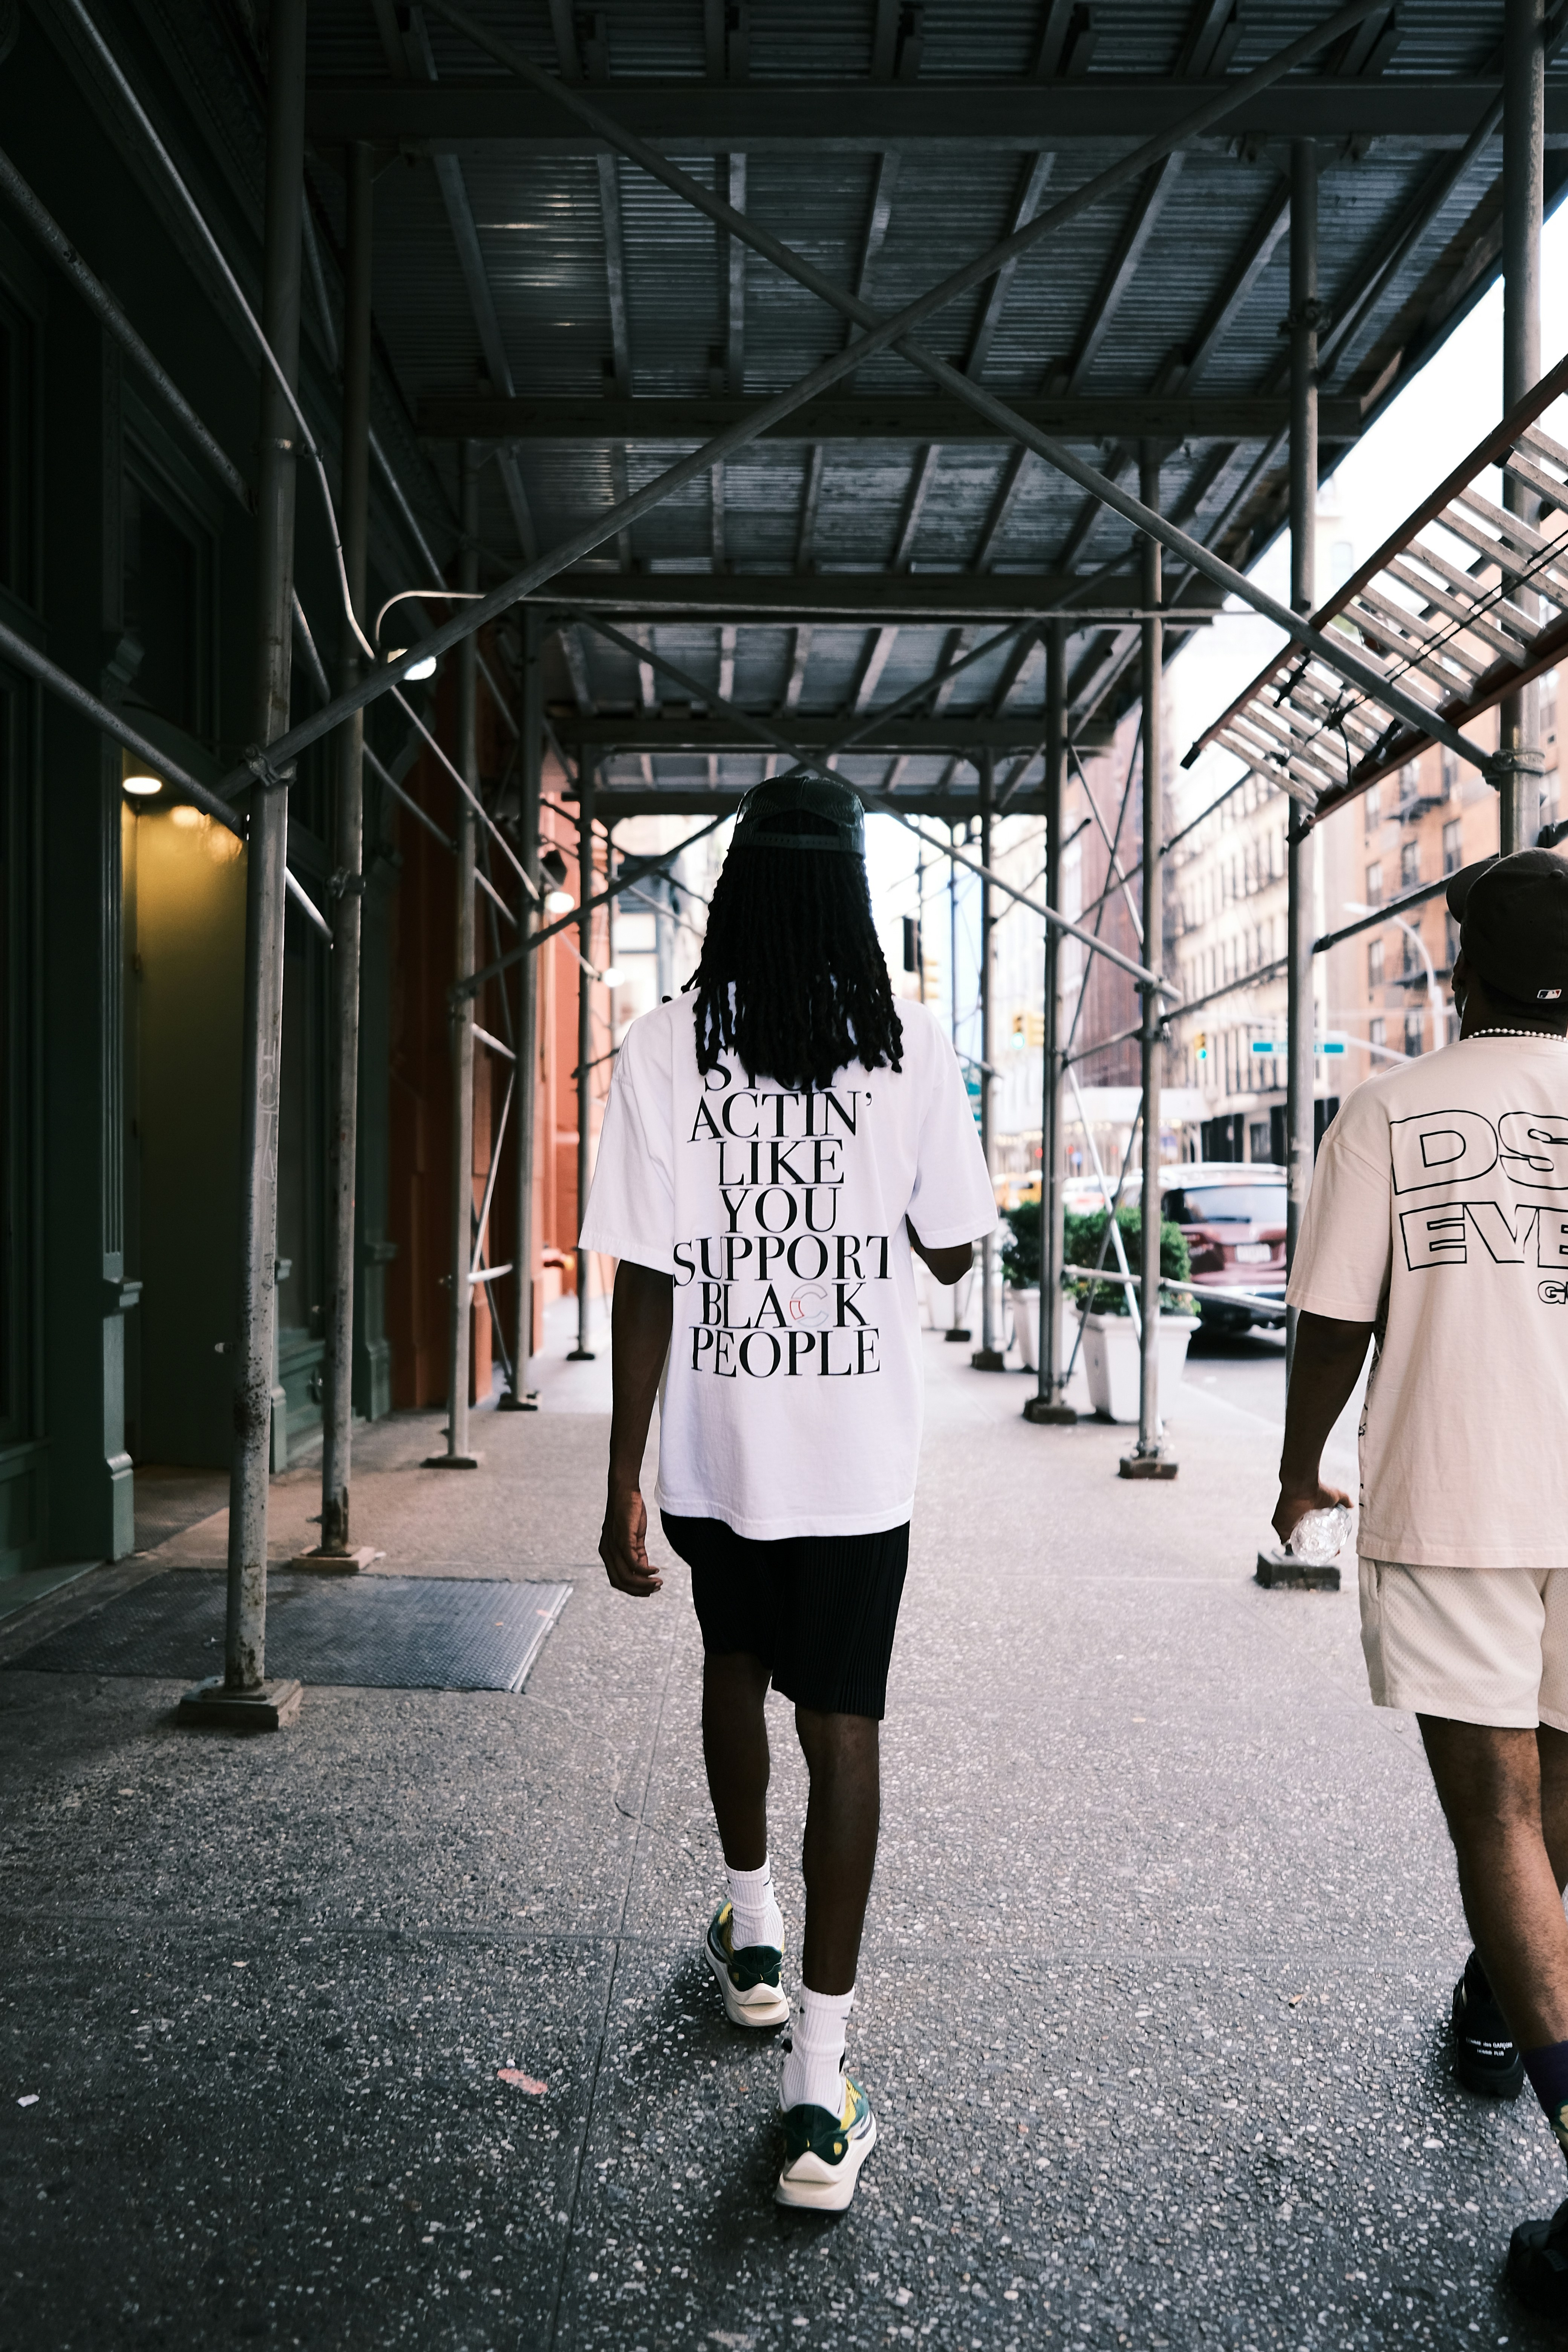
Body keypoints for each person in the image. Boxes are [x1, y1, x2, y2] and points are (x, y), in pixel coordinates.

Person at [579, 769, 995, 2211]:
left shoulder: (656, 1046)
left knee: (730, 1661)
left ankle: (751, 1937)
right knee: (847, 1728)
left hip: (713, 1446)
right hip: (857, 1459)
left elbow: (640, 1270)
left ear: (739, 889)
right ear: (854, 899)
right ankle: (820, 2090)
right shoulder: (914, 1047)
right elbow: (952, 1252)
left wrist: (625, 1471)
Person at [1272, 846, 1568, 2315]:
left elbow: (1329, 1319)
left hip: (1452, 1492)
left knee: (1495, 1814)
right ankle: (1496, 1991)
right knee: (1557, 1801)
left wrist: (1290, 1468)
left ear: (1461, 970)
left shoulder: (1387, 1111)